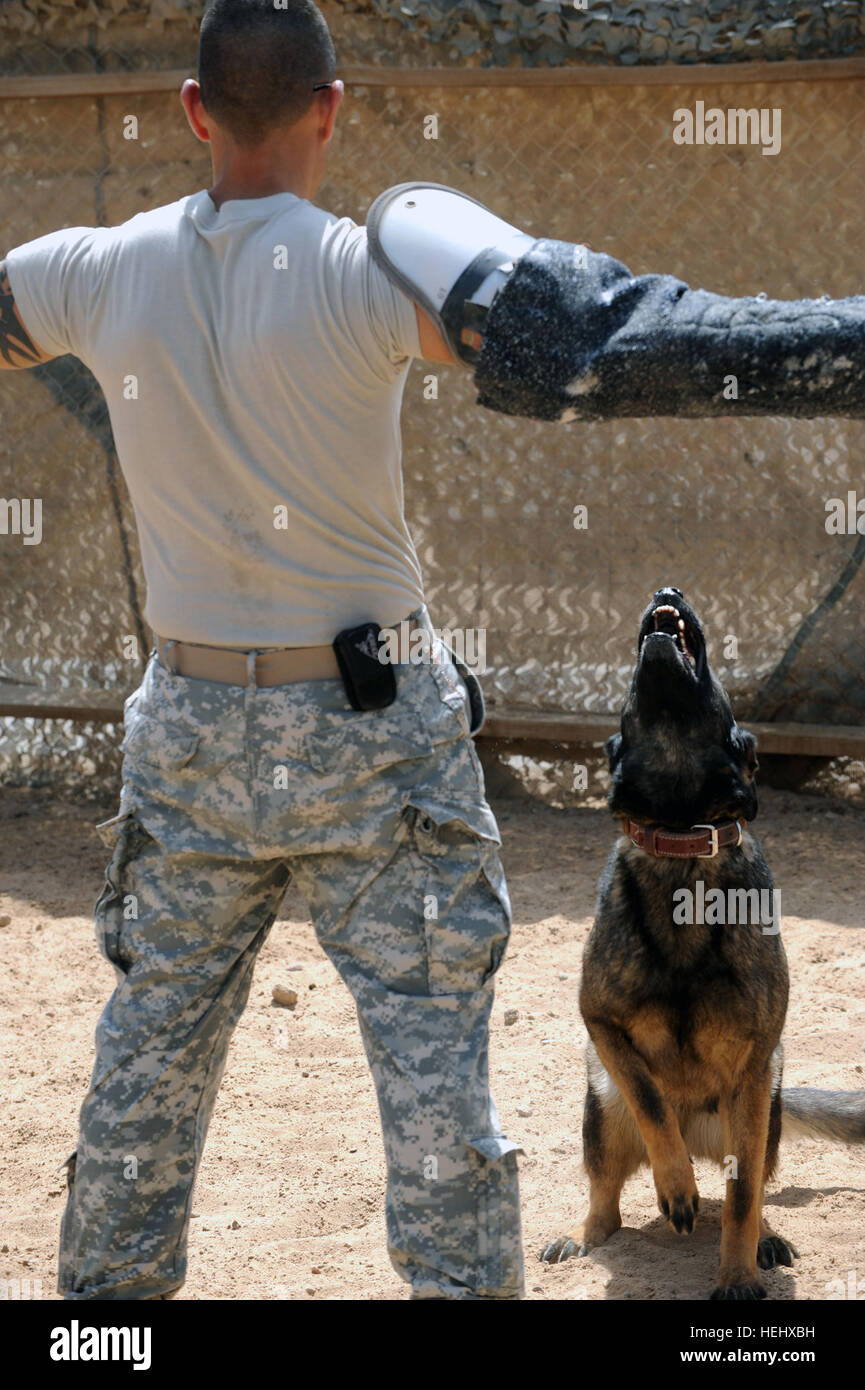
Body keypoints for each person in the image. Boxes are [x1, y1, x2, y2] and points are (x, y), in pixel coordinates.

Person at [0, 0, 520, 1301]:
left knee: (146, 1067)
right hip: (373, 730)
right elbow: (514, 319)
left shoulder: (103, 267)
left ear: (191, 109)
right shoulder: (361, 272)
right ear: (329, 109)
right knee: (435, 1067)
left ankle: (105, 1328)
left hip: (186, 727)